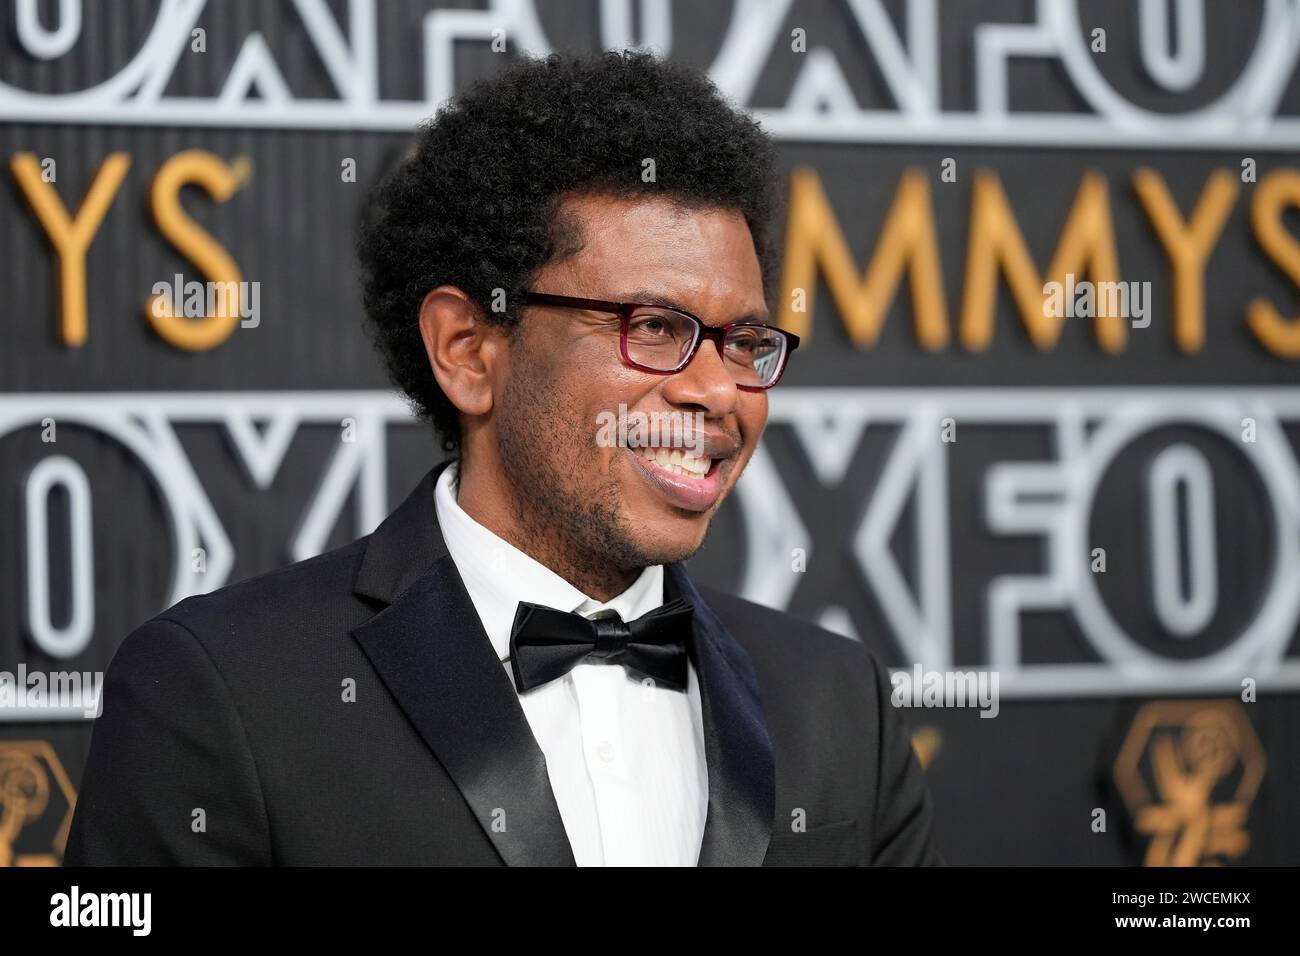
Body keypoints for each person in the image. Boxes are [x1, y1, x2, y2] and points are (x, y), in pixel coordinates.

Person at [64, 50, 942, 866]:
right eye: (655, 328)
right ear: (469, 350)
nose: (718, 392)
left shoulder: (838, 705)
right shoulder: (222, 696)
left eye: (744, 341)